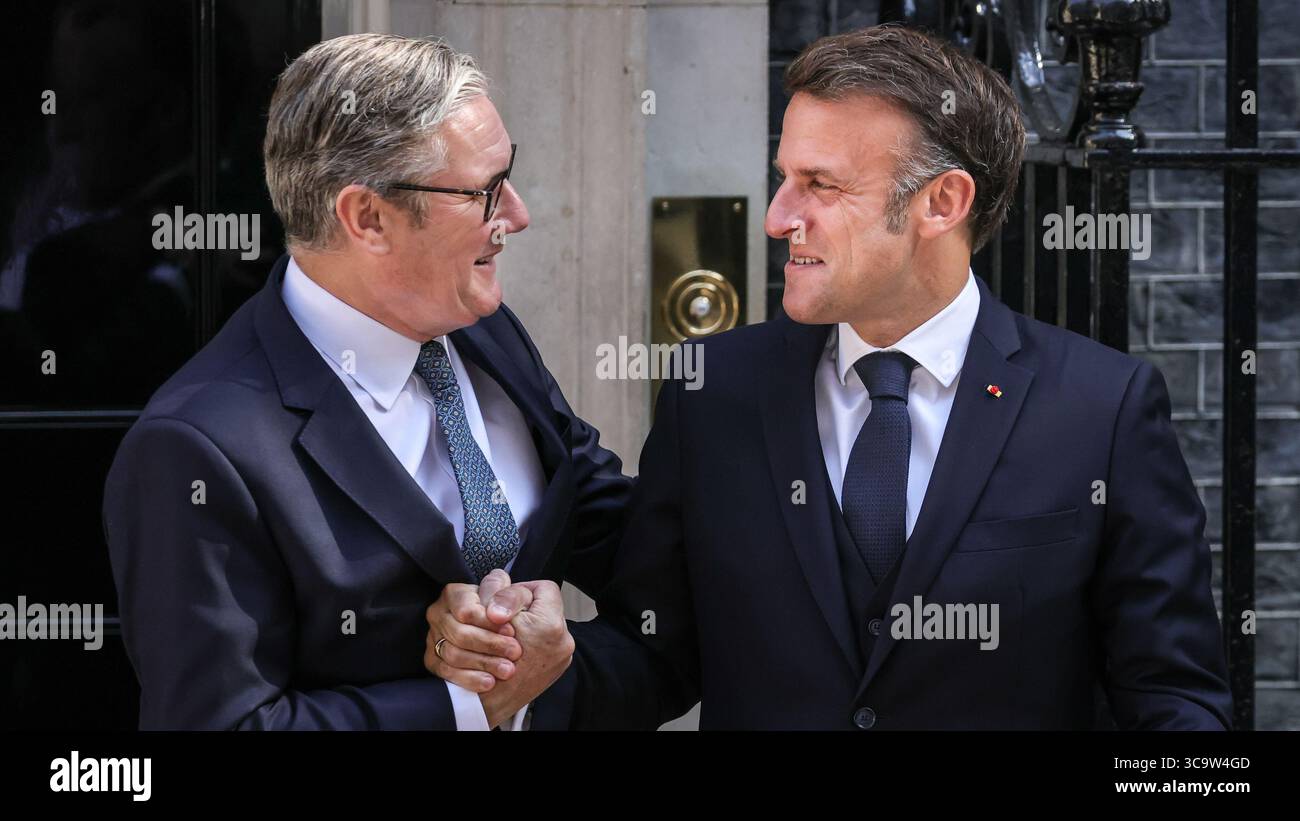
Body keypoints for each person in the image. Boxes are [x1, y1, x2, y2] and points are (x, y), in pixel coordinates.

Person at [443, 24, 1234, 730]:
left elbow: (1175, 702)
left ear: (942, 202)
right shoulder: (714, 392)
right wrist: (539, 665)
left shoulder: (1102, 410)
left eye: (819, 185)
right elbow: (656, 656)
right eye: (784, 176)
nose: (777, 215)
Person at [103, 33, 631, 730]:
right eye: (485, 192)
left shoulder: (481, 329)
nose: (519, 214)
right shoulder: (196, 448)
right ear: (369, 218)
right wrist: (467, 709)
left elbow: (617, 529)